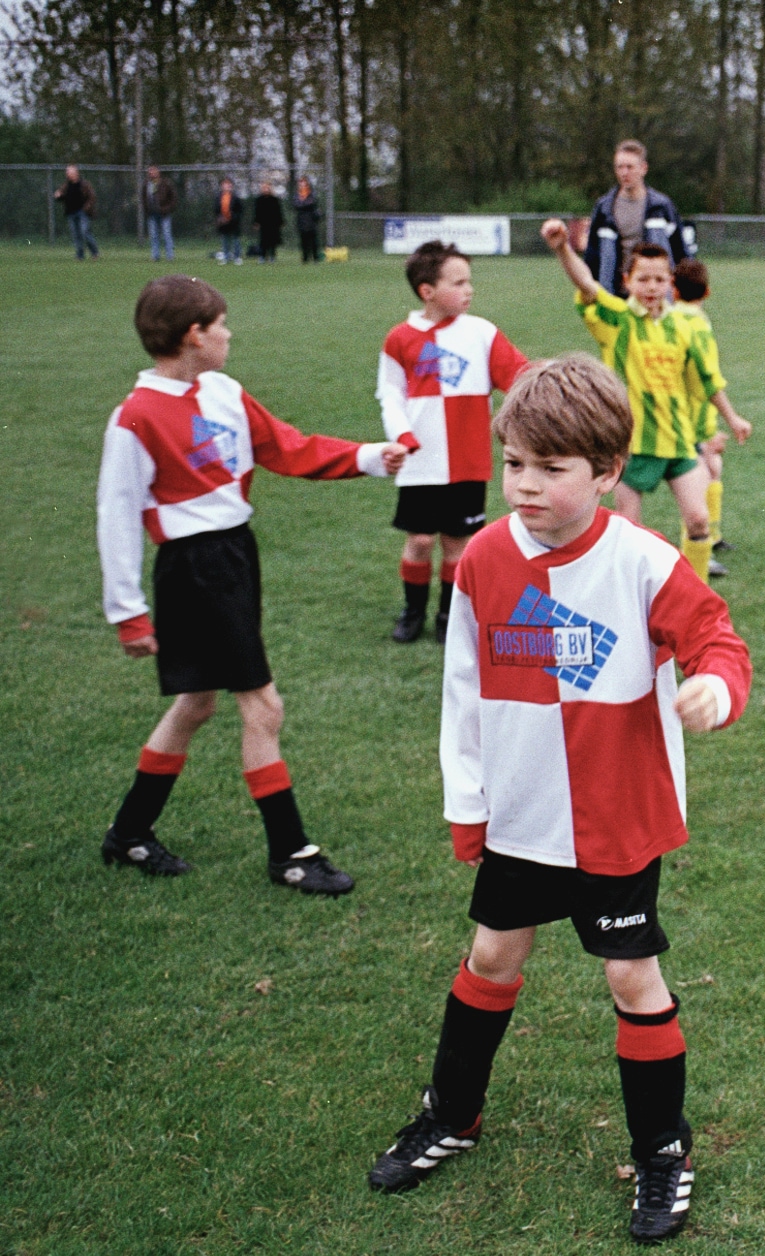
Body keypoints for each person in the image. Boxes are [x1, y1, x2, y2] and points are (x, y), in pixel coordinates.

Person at [365, 355, 751, 1250]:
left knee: (629, 974)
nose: (525, 485)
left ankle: (662, 1149)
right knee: (493, 954)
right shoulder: (486, 560)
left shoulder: (644, 561)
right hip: (521, 812)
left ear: (607, 473)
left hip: (615, 815)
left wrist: (714, 691)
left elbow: (716, 640)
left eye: (551, 468)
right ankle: (452, 1115)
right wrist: (469, 804)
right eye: (514, 464)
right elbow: (463, 690)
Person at [96, 275, 409, 892]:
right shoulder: (135, 418)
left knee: (197, 703)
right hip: (195, 571)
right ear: (194, 336)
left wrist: (370, 456)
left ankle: (129, 833)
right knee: (262, 704)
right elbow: (116, 513)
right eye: (221, 324)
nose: (229, 333)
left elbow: (286, 447)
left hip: (234, 557)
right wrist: (127, 612)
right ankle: (291, 853)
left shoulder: (223, 392)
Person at [540, 218, 723, 581]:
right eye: (643, 278)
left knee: (699, 519)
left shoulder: (681, 326)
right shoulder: (619, 320)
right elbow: (588, 285)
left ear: (670, 283)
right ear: (627, 282)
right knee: (628, 529)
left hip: (679, 440)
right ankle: (627, 597)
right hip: (633, 443)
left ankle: (697, 594)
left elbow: (703, 380)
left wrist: (729, 419)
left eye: (658, 279)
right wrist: (563, 248)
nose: (651, 286)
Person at [378, 240, 530, 644]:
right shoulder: (399, 339)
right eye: (459, 282)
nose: (469, 290)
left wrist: (550, 376)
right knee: (420, 540)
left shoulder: (481, 333)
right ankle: (412, 611)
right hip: (420, 459)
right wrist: (402, 435)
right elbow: (389, 394)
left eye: (469, 281)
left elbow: (519, 377)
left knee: (456, 544)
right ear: (427, 291)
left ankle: (448, 614)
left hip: (467, 459)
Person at [669, 259, 754, 579]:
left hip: (681, 410)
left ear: (673, 289)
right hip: (691, 415)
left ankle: (712, 538)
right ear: (707, 291)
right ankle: (696, 551)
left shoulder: (668, 318)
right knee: (699, 477)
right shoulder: (697, 324)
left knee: (713, 468)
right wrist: (731, 418)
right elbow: (707, 376)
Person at [583, 139, 693, 298]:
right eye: (619, 167)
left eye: (629, 167)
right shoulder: (604, 208)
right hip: (617, 294)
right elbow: (592, 256)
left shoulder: (661, 206)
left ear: (643, 168)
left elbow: (680, 252)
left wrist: (686, 292)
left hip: (654, 295)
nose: (624, 173)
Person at [54, 165, 98, 260]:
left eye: (70, 172)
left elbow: (92, 197)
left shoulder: (84, 184)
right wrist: (58, 195)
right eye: (67, 172)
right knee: (76, 235)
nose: (68, 174)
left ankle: (94, 252)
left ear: (76, 173)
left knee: (84, 232)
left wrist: (86, 208)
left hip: (82, 212)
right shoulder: (66, 186)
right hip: (71, 213)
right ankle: (80, 255)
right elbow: (61, 197)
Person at [143, 166, 177, 262]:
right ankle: (155, 256)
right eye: (150, 172)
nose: (151, 174)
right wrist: (147, 209)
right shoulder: (146, 184)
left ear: (158, 173)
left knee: (167, 234)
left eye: (153, 172)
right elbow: (144, 198)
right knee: (154, 236)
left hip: (164, 214)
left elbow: (173, 197)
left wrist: (167, 208)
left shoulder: (166, 183)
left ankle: (170, 256)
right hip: (152, 214)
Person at [215, 178, 244, 263]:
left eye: (228, 184)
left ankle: (237, 257)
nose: (226, 186)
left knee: (236, 240)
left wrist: (232, 217)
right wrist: (220, 218)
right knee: (225, 240)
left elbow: (240, 210)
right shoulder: (218, 197)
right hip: (223, 222)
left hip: (234, 222)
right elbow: (216, 209)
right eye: (225, 184)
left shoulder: (235, 197)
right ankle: (226, 257)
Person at [254, 180, 284, 263]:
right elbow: (256, 212)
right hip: (263, 224)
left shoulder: (274, 199)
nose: (266, 189)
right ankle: (262, 257)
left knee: (272, 241)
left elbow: (278, 211)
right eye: (264, 188)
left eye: (267, 188)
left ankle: (272, 256)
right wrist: (256, 222)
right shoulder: (259, 200)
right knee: (263, 241)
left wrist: (281, 221)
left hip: (273, 223)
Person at [294, 177, 322, 264]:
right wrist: (304, 204)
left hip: (311, 220)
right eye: (300, 184)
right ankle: (305, 258)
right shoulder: (296, 195)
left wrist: (303, 204)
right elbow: (296, 205)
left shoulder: (312, 194)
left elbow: (312, 203)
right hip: (301, 221)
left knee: (313, 240)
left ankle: (315, 258)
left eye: (304, 183)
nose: (302, 185)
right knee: (303, 241)